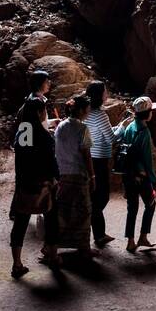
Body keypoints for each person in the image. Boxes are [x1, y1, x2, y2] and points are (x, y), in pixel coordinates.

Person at [10, 95, 60, 275]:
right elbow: (51, 163)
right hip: (43, 185)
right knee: (52, 219)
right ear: (40, 113)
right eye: (44, 110)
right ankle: (52, 255)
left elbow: (21, 159)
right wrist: (56, 179)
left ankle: (17, 264)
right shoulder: (44, 137)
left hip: (24, 184)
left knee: (20, 224)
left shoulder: (23, 132)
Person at [116, 95, 156, 253]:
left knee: (132, 208)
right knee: (151, 204)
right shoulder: (144, 132)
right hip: (141, 176)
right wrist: (154, 179)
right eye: (151, 110)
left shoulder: (130, 127)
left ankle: (130, 241)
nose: (152, 113)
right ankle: (143, 236)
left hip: (128, 173)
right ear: (147, 113)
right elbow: (147, 160)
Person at [54, 93, 95, 258]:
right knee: (83, 211)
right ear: (82, 110)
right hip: (78, 174)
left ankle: (53, 246)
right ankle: (83, 247)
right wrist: (92, 176)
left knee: (62, 211)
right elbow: (86, 155)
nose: (89, 112)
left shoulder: (61, 126)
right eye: (87, 109)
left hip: (63, 173)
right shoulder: (82, 129)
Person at [85, 80, 117, 247]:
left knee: (95, 195)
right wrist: (122, 128)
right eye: (105, 91)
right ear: (99, 95)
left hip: (89, 157)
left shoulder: (87, 112)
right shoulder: (100, 115)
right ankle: (97, 233)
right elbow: (111, 138)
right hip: (99, 160)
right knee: (102, 197)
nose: (107, 94)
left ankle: (99, 234)